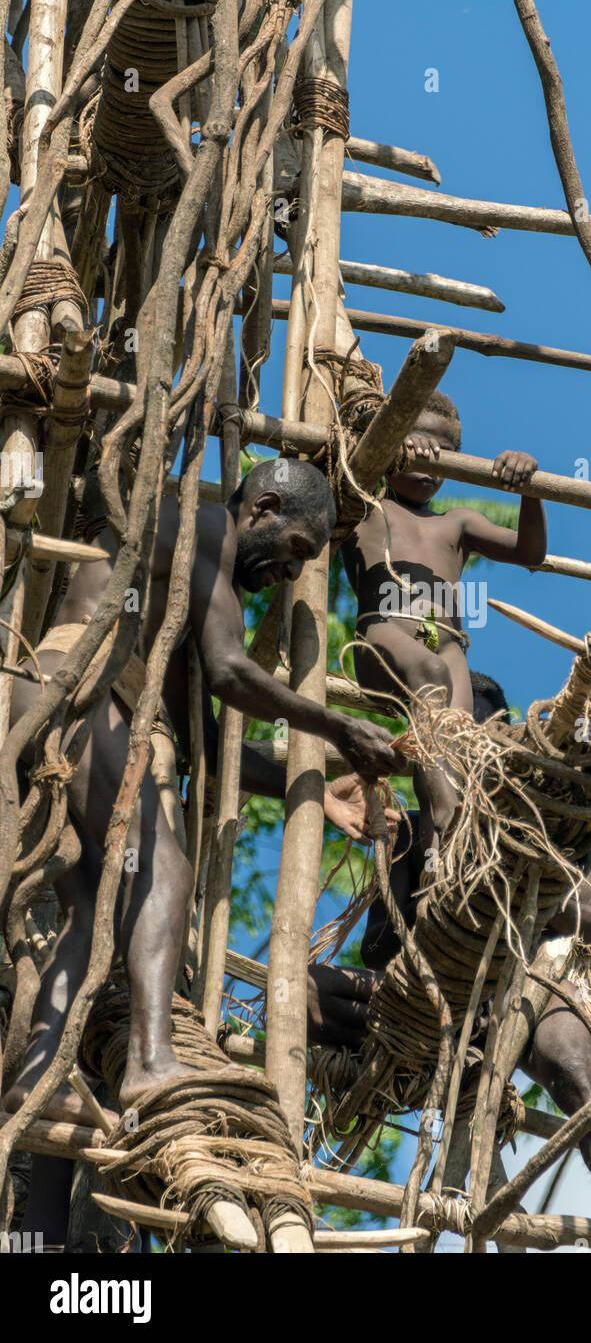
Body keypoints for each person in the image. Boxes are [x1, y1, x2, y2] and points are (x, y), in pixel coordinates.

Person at [2, 456, 403, 1127]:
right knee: (164, 872)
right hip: (77, 692)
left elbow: (209, 744)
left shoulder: (181, 584)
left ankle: (33, 1079)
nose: (291, 574)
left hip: (41, 700)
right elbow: (228, 670)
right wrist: (339, 726)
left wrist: (316, 792)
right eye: (295, 549)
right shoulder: (207, 526)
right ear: (262, 508)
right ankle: (151, 1062)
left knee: (91, 903)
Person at [358, 670, 591, 1238]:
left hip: (531, 978)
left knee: (571, 1061)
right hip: (436, 998)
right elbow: (377, 948)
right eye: (453, 738)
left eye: (480, 731)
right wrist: (431, 907)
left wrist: (520, 890)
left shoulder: (550, 827)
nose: (468, 750)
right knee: (327, 998)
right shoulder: (411, 832)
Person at [341, 390, 546, 865]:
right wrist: (385, 441)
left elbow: (530, 553)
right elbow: (337, 462)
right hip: (384, 636)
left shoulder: (457, 523)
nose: (430, 463)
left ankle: (439, 858)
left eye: (445, 455)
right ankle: (448, 819)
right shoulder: (363, 504)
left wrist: (529, 486)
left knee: (451, 744)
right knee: (430, 675)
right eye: (418, 445)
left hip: (446, 643)